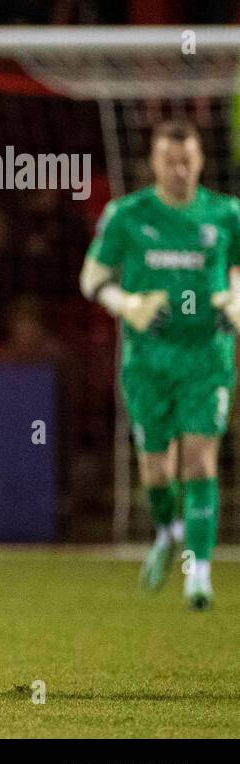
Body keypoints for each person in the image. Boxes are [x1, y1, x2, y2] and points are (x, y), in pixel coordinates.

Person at [80, 119, 237, 610]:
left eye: (187, 161)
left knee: (199, 460)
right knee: (155, 468)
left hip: (205, 357)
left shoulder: (227, 213)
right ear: (153, 163)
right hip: (146, 361)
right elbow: (92, 278)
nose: (179, 171)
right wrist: (127, 304)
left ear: (201, 162)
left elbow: (237, 271)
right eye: (170, 162)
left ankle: (199, 575)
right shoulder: (128, 215)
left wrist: (235, 299)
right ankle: (168, 532)